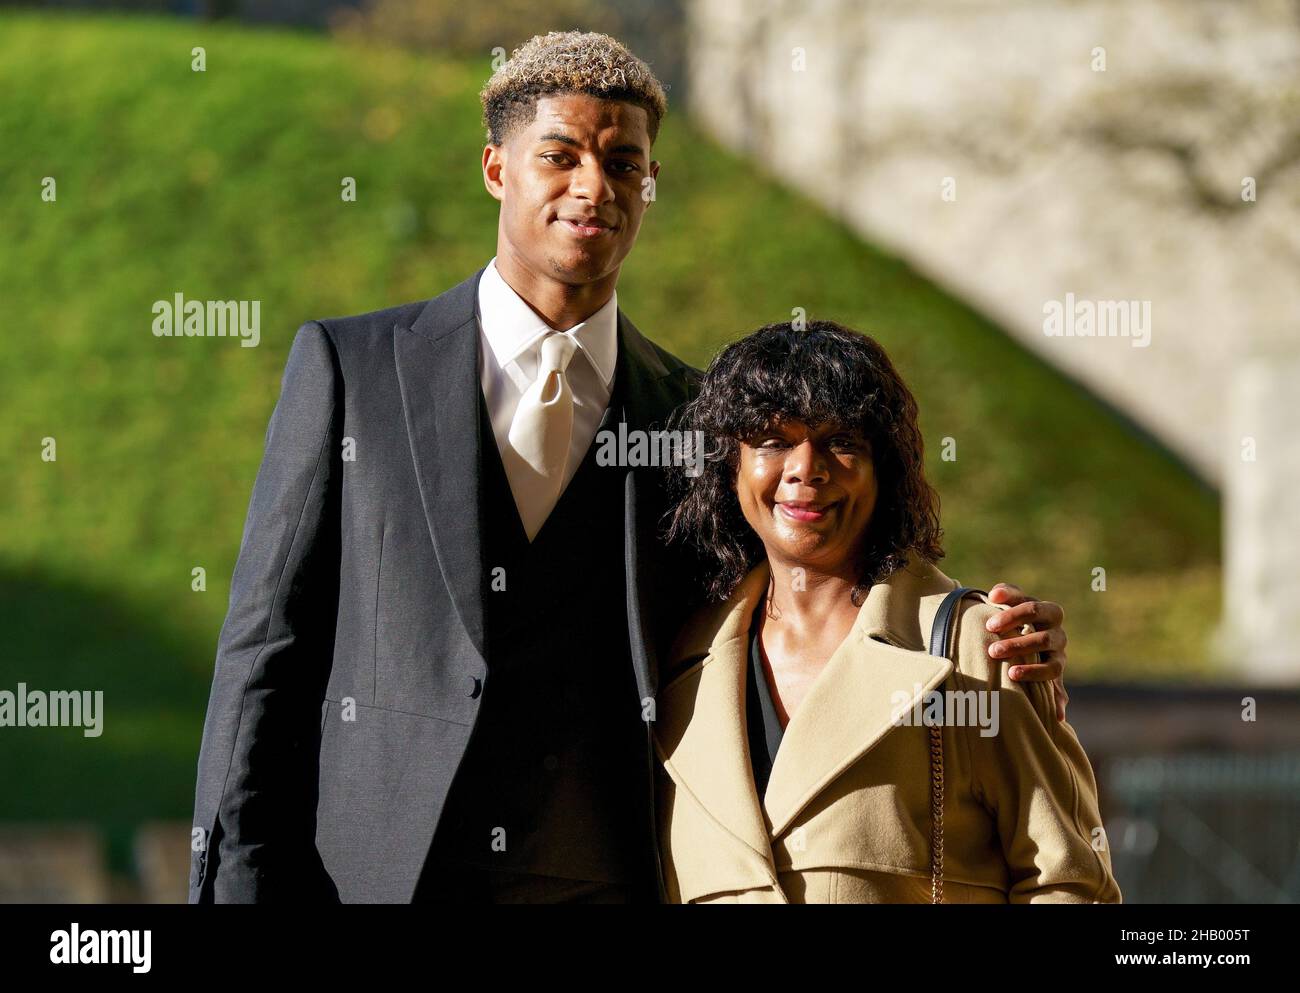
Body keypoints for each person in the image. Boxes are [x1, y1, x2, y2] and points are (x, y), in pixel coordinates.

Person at [189, 31, 1073, 904]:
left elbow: (802, 584)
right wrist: (236, 883)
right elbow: (267, 650)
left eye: (623, 162)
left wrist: (975, 634)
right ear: (497, 170)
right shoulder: (355, 369)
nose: (593, 186)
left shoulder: (699, 417)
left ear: (651, 185)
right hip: (376, 883)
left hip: (609, 879)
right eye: (561, 155)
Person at [655, 320, 1121, 903]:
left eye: (842, 442)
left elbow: (1070, 881)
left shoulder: (974, 647)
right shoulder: (677, 658)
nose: (807, 468)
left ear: (885, 472)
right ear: (730, 467)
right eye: (773, 441)